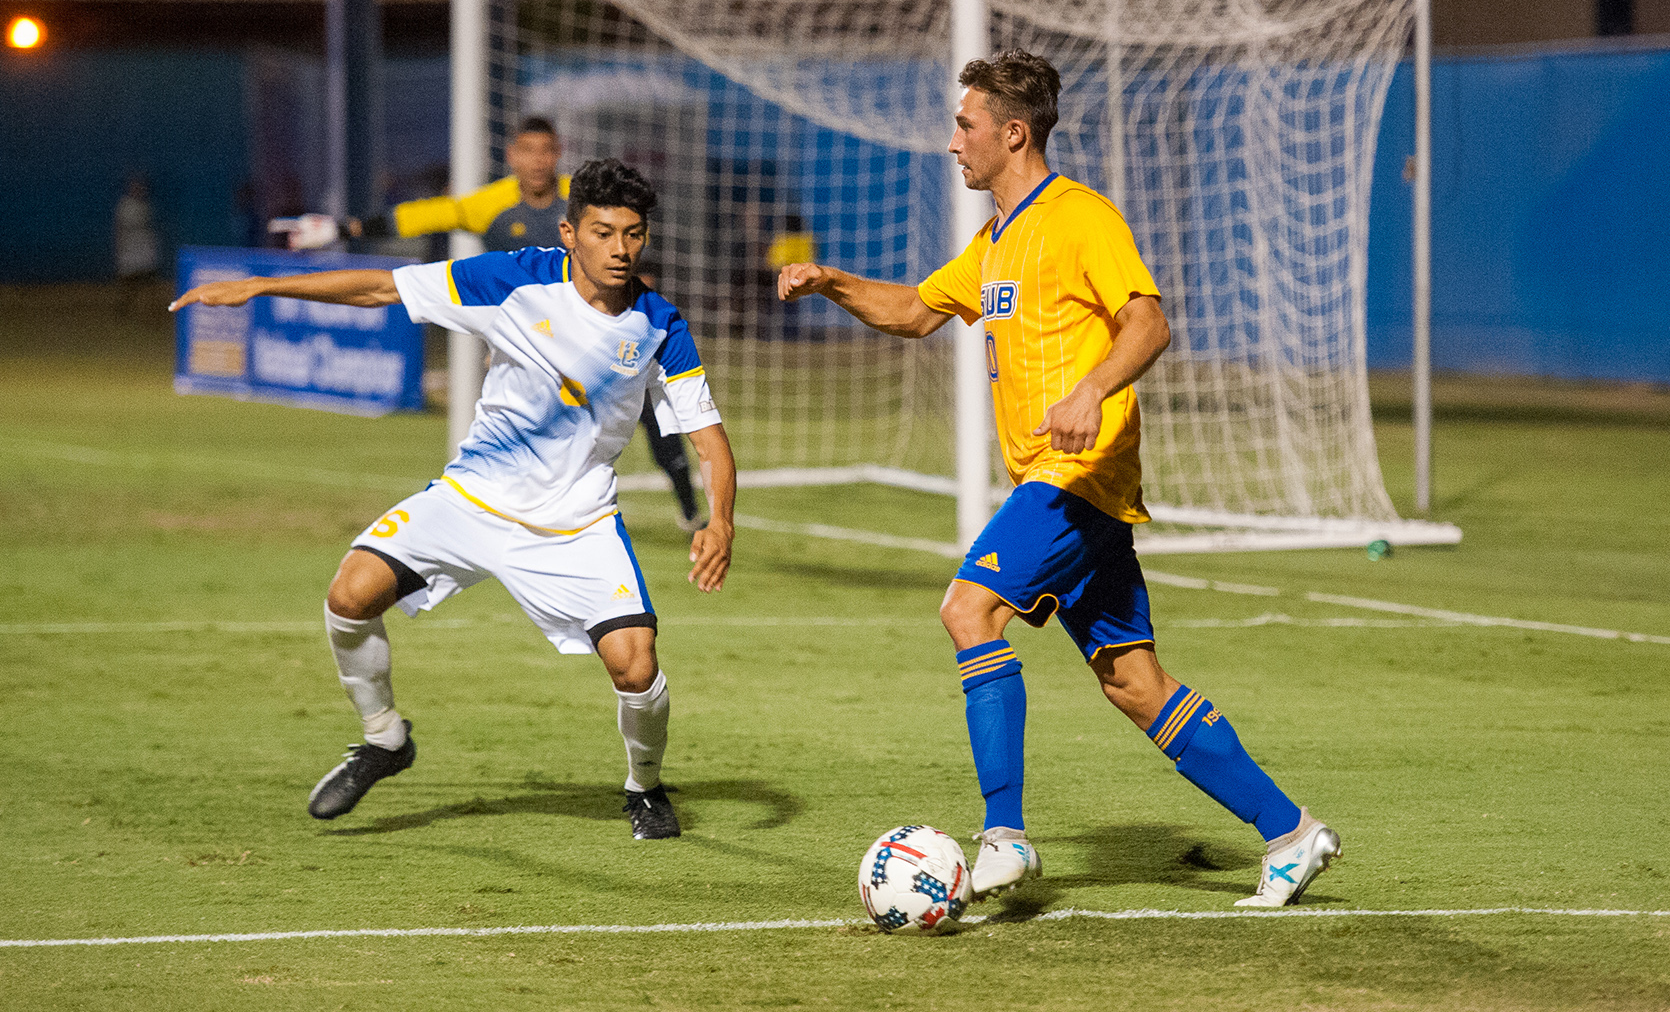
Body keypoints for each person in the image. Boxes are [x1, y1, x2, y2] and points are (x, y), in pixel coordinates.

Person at [777, 50, 1339, 907]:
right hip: (1072, 487)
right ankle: (1292, 833)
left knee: (967, 609)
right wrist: (831, 282)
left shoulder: (1080, 217)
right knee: (1133, 684)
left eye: (965, 125)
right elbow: (918, 311)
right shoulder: (997, 240)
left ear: (1012, 133)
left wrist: (1091, 389)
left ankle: (1004, 838)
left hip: (1077, 472)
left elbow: (1147, 322)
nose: (953, 142)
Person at [171, 158, 737, 840]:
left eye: (633, 234)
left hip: (574, 523)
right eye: (603, 232)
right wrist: (263, 285)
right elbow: (381, 288)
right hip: (471, 498)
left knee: (636, 666)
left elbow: (709, 438)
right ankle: (384, 738)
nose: (621, 249)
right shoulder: (512, 279)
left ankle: (644, 788)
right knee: (349, 595)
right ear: (569, 233)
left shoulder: (659, 325)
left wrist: (720, 521)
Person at [377, 116, 707, 532]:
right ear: (512, 156)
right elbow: (422, 216)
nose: (538, 161)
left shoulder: (582, 200)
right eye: (528, 151)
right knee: (521, 421)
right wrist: (345, 228)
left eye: (547, 151)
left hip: (601, 335)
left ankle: (689, 508)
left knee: (649, 413)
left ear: (558, 154)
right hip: (528, 342)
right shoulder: (490, 204)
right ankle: (505, 510)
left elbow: (630, 241)